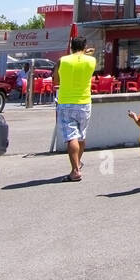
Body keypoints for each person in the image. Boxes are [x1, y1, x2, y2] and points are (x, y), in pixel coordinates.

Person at [53, 37, 96, 182]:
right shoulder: (91, 61)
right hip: (84, 101)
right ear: (84, 47)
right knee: (81, 136)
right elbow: (84, 59)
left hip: (66, 102)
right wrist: (87, 53)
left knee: (72, 137)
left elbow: (55, 81)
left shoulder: (62, 61)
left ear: (71, 46)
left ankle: (75, 170)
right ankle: (77, 164)